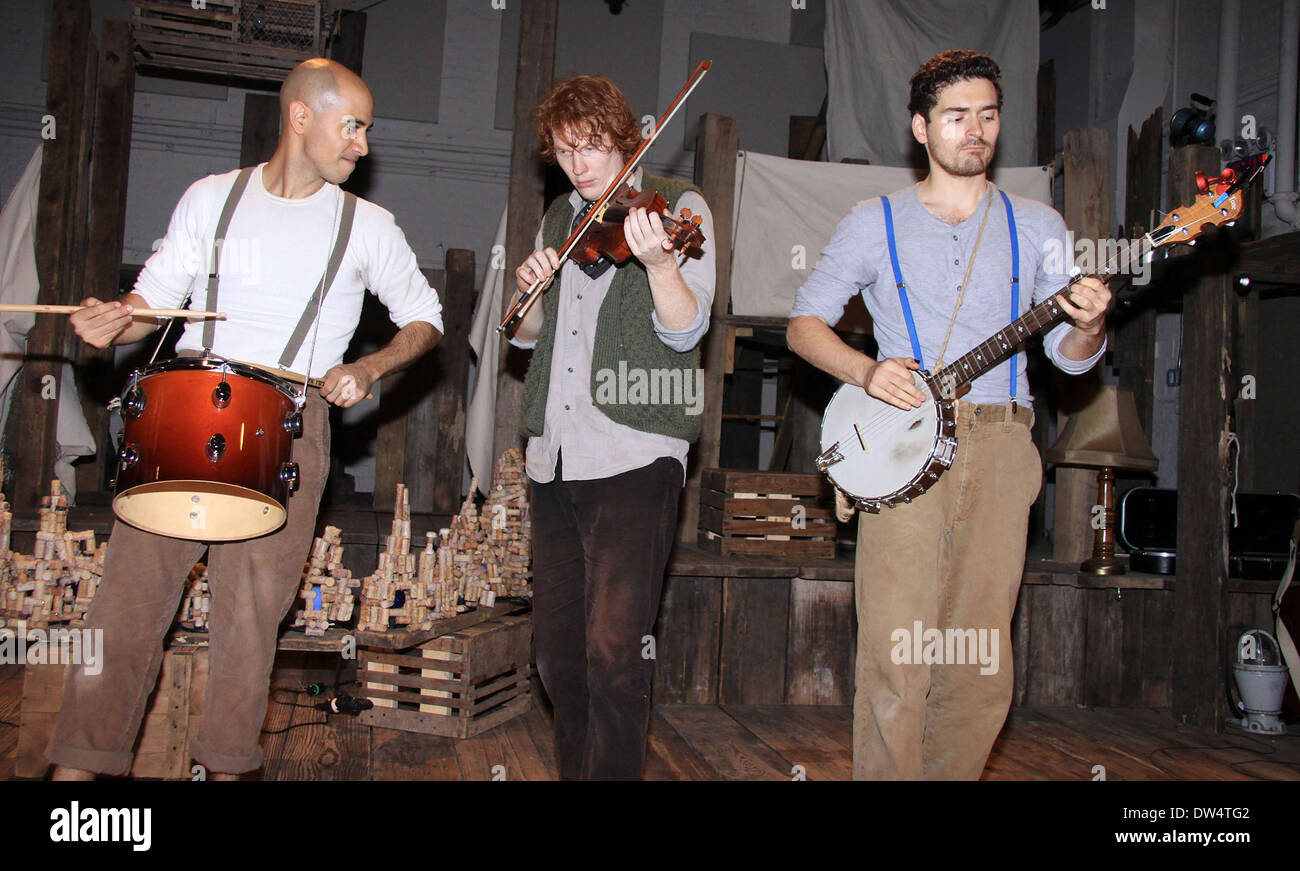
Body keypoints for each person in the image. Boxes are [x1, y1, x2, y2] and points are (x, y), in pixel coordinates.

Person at [48, 58, 444, 780]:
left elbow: (427, 319)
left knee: (251, 620)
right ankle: (75, 779)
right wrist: (117, 321)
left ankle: (226, 768)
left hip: (295, 419)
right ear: (300, 117)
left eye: (366, 130)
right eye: (351, 125)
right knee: (125, 606)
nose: (363, 144)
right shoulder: (212, 199)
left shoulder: (367, 226)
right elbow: (154, 300)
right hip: (183, 407)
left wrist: (368, 368)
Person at [787, 50, 1110, 780]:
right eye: (958, 116)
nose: (976, 130)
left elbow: (1071, 355)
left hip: (1001, 441)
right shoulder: (875, 222)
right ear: (921, 127)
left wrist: (1090, 324)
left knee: (981, 659)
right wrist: (867, 370)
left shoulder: (1039, 224)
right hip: (903, 447)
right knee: (898, 652)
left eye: (989, 115)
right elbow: (805, 324)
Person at [505, 75, 715, 780]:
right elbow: (527, 337)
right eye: (564, 152)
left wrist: (659, 262)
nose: (579, 165)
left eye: (591, 147)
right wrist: (529, 291)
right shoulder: (562, 221)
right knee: (557, 657)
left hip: (635, 452)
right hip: (555, 458)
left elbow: (688, 329)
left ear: (627, 138)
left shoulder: (680, 206)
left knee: (615, 653)